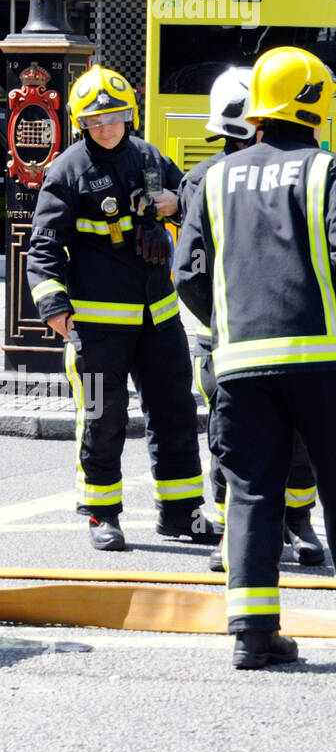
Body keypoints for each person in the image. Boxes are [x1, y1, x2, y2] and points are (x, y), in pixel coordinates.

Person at [175, 47, 336, 669]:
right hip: (322, 366)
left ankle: (253, 633)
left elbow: (187, 273)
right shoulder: (330, 171)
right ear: (314, 106)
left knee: (250, 489)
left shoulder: (213, 178)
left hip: (240, 367)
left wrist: (231, 325)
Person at [27, 65, 219, 552]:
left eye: (115, 117)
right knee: (100, 416)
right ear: (81, 125)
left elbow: (191, 197)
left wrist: (172, 205)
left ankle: (180, 513)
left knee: (176, 413)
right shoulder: (66, 171)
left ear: (129, 117)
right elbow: (44, 247)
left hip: (158, 320)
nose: (107, 127)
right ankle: (100, 514)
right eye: (96, 121)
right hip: (95, 330)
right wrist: (54, 307)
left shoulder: (149, 155)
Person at [178, 68, 324, 572]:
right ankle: (231, 534)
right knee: (230, 440)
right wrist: (224, 320)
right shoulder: (204, 180)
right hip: (223, 341)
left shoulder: (289, 170)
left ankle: (298, 523)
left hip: (276, 336)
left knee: (299, 442)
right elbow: (190, 271)